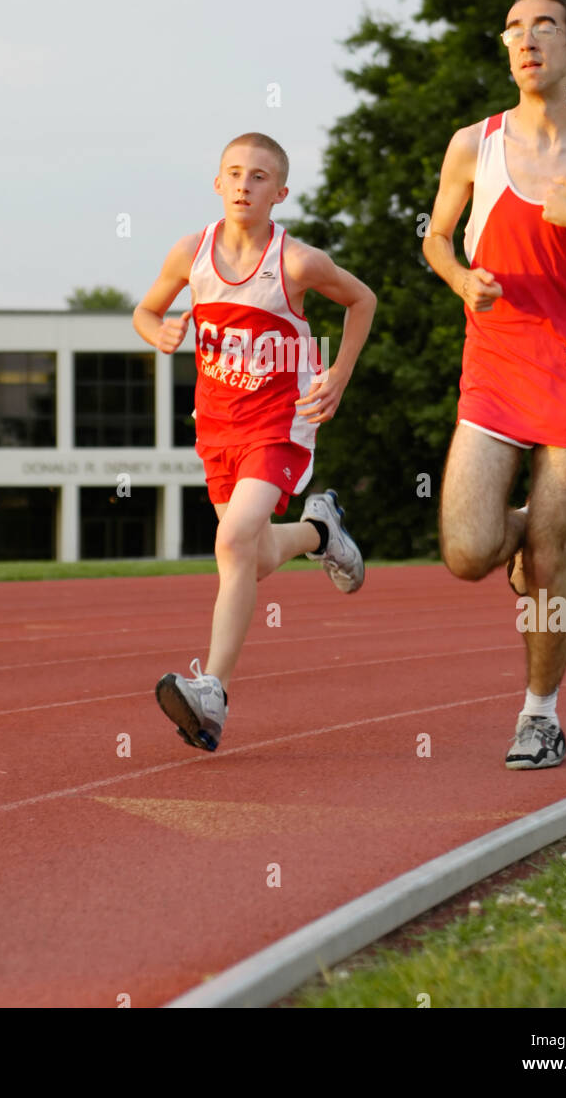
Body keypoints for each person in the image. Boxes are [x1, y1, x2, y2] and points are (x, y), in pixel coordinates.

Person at [423, 0, 566, 769]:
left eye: (545, 28)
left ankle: (540, 718)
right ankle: (520, 537)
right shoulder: (472, 145)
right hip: (495, 366)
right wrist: (459, 280)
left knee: (548, 559)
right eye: (514, 29)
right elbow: (438, 239)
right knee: (466, 552)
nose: (526, 41)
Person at [132, 132, 376, 751]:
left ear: (280, 193)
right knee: (255, 556)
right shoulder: (191, 253)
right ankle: (323, 532)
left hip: (279, 423)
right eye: (234, 174)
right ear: (218, 184)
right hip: (217, 427)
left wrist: (338, 376)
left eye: (259, 176)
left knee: (232, 540)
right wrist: (156, 331)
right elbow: (145, 309)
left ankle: (211, 691)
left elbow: (362, 299)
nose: (245, 184)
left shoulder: (296, 263)